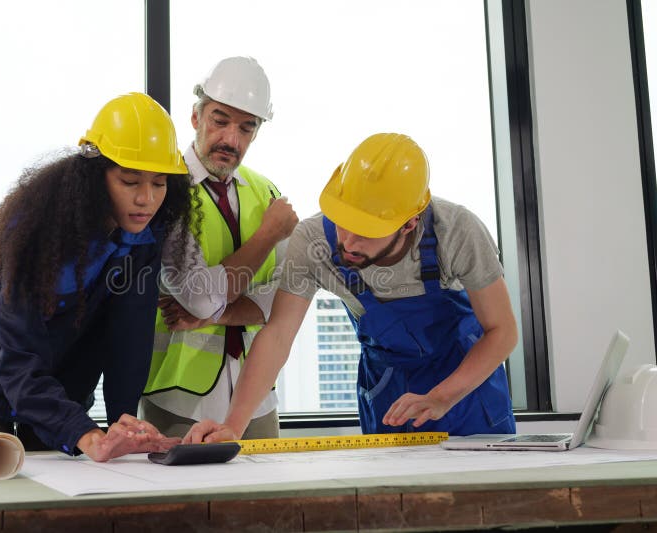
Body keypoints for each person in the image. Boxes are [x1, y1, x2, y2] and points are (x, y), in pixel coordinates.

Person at [184, 133, 518, 443]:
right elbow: (278, 334)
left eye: (367, 231)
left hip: (468, 395)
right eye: (344, 222)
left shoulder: (457, 232)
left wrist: (442, 397)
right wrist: (233, 426)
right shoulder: (314, 241)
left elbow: (502, 331)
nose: (348, 241)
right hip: (388, 397)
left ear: (409, 224)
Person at [0, 92, 193, 462]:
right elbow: (19, 361)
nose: (147, 199)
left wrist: (124, 425)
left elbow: (129, 342)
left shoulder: (145, 238)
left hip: (61, 391)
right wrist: (86, 435)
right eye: (130, 181)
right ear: (96, 176)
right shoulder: (39, 235)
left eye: (159, 183)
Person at [140, 56, 298, 439]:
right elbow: (199, 299)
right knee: (187, 501)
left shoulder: (267, 194)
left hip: (256, 398)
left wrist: (218, 316)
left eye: (247, 127)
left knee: (263, 501)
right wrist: (266, 237)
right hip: (178, 397)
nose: (231, 139)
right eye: (220, 120)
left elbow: (285, 297)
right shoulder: (163, 188)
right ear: (196, 118)